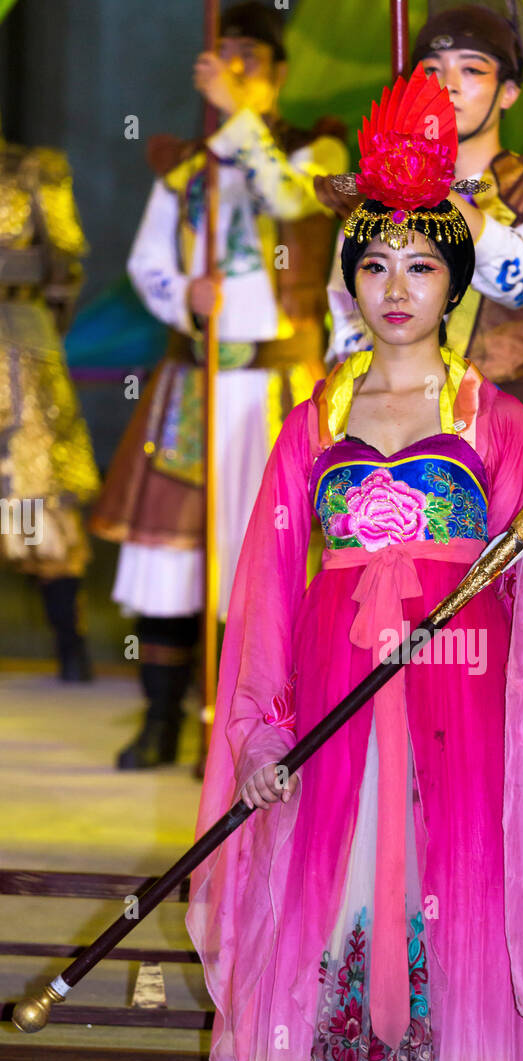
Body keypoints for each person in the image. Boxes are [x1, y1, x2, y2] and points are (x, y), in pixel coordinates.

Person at [187, 67, 523, 1061]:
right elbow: (262, 592)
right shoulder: (312, 421)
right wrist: (260, 733)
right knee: (339, 928)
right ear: (348, 282)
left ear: (451, 283)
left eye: (419, 266)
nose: (394, 289)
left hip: (456, 722)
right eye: (373, 267)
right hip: (335, 715)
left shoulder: (496, 424)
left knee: (441, 937)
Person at [90, 1, 348, 768]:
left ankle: (242, 726)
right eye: (224, 52)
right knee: (172, 553)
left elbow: (288, 200)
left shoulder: (314, 151)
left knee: (265, 550)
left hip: (279, 383)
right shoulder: (183, 167)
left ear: (278, 74)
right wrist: (182, 298)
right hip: (194, 382)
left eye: (252, 57)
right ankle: (164, 718)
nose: (235, 67)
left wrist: (238, 117)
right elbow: (146, 262)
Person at [324, 1, 523, 650]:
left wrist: (448, 203)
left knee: (518, 645)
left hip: (513, 453)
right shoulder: (375, 197)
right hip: (389, 455)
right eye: (431, 69)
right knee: (374, 642)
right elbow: (346, 319)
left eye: (473, 68)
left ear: (509, 90)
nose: (449, 85)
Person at [0, 117, 100, 680]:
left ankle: (71, 643)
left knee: (33, 488)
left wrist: (41, 326)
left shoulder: (35, 168)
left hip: (21, 339)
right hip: (26, 329)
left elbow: (65, 264)